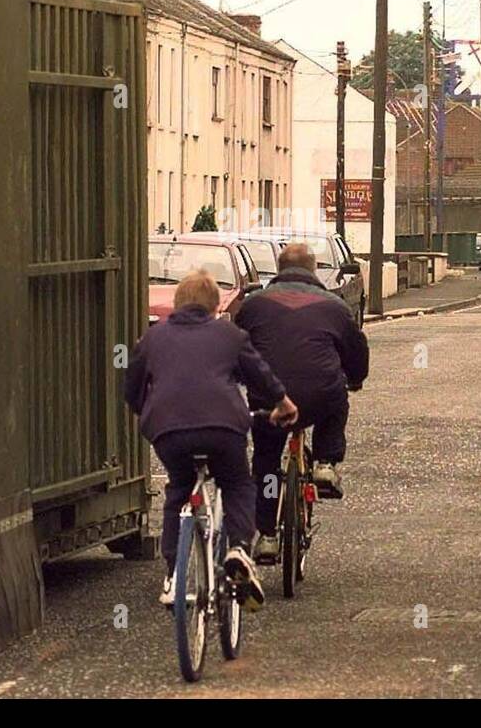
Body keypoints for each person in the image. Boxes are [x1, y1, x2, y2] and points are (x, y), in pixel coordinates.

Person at [123, 269, 298, 609]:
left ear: (176, 304)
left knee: (179, 489)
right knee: (237, 484)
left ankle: (173, 576)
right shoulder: (229, 334)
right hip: (223, 428)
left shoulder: (152, 339)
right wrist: (283, 404)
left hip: (168, 431)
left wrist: (147, 413)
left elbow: (132, 389)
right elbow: (259, 375)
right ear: (215, 306)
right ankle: (238, 550)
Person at [234, 242, 369, 562]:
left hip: (270, 399)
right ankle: (324, 463)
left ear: (280, 270)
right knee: (336, 400)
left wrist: (242, 379)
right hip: (318, 396)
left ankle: (266, 536)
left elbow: (236, 348)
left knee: (266, 462)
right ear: (313, 270)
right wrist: (356, 379)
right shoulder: (334, 305)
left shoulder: (254, 304)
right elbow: (356, 349)